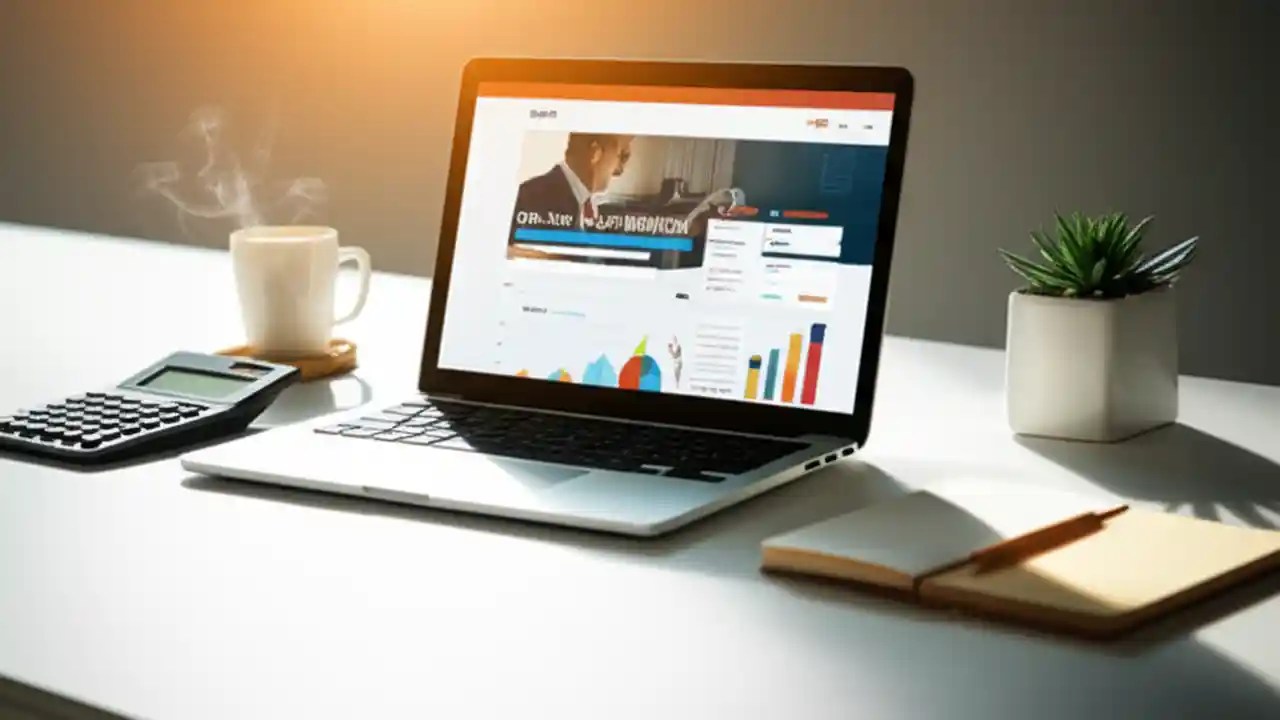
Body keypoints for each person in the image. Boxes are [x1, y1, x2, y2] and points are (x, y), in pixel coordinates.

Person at [507, 133, 633, 260]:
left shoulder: (586, 204)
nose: (619, 170)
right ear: (596, 153)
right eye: (621, 156)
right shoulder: (534, 197)